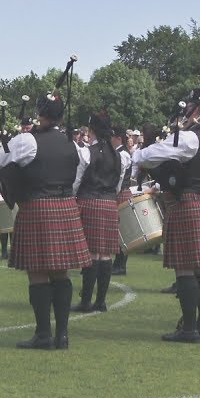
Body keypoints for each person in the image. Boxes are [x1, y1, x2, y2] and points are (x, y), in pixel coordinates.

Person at [0, 93, 89, 349]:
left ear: (39, 114)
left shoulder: (26, 140)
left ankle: (44, 334)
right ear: (61, 116)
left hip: (37, 207)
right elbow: (77, 174)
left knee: (38, 272)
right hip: (66, 206)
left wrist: (13, 184)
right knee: (61, 272)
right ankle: (62, 335)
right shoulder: (72, 144)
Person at [131, 88, 200, 343]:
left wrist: (138, 154)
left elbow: (149, 157)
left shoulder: (189, 139)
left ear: (198, 111)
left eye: (190, 107)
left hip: (187, 203)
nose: (184, 111)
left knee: (184, 269)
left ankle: (189, 329)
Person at [73, 112, 122, 313]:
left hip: (89, 202)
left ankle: (86, 301)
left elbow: (76, 181)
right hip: (109, 203)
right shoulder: (119, 155)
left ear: (91, 130)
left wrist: (73, 198)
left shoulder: (85, 153)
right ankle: (101, 301)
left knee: (91, 254)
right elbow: (118, 185)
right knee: (105, 254)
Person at [109, 128, 134, 276]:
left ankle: (120, 265)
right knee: (117, 230)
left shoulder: (122, 154)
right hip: (120, 192)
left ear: (117, 137)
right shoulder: (119, 152)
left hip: (121, 192)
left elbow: (119, 176)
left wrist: (114, 192)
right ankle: (117, 264)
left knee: (122, 231)